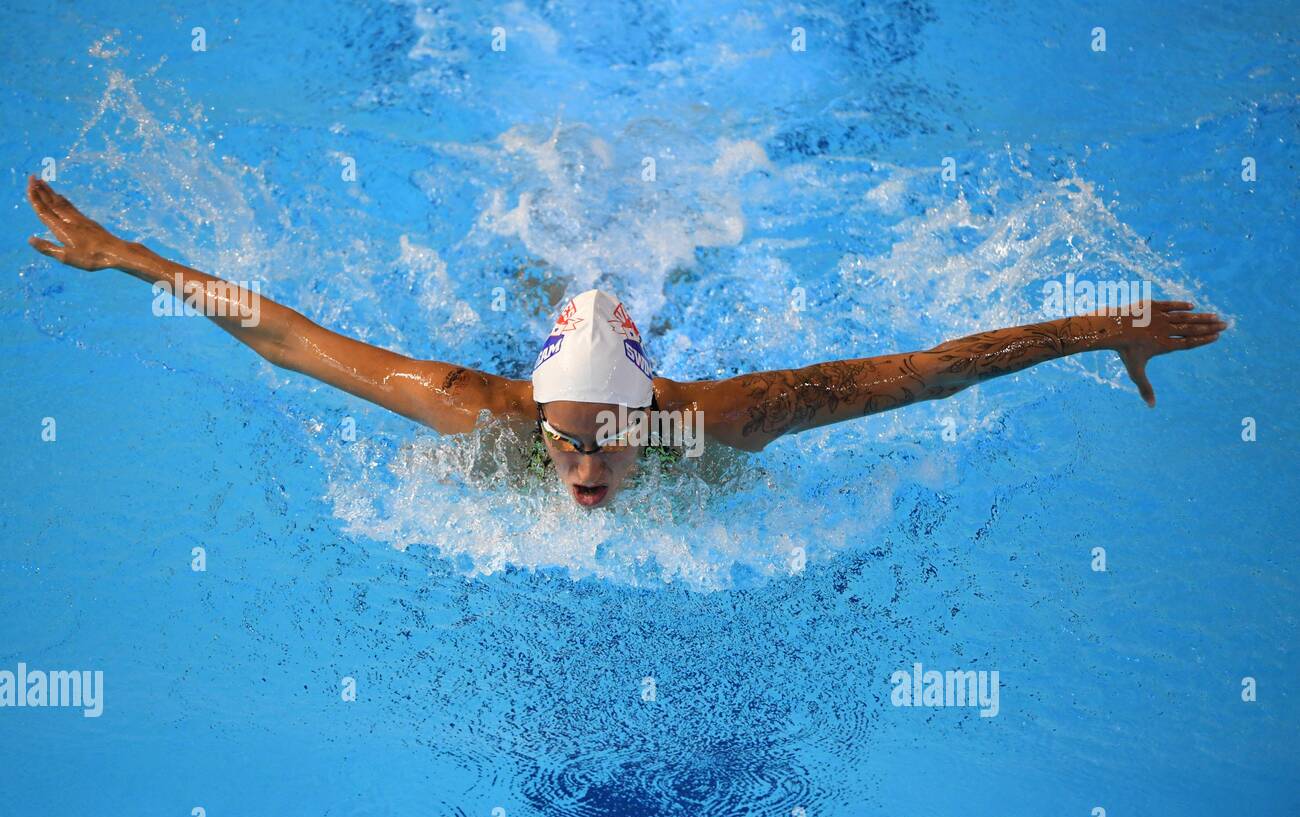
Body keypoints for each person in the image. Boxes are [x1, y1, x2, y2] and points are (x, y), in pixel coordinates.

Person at [25, 175, 1226, 508]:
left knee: (663, 259)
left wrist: (1095, 327)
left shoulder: (715, 418)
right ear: (536, 418)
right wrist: (123, 255)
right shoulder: (483, 411)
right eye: (569, 443)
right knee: (549, 273)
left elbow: (919, 372)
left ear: (651, 412)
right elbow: (289, 338)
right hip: (536, 356)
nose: (589, 467)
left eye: (609, 439)